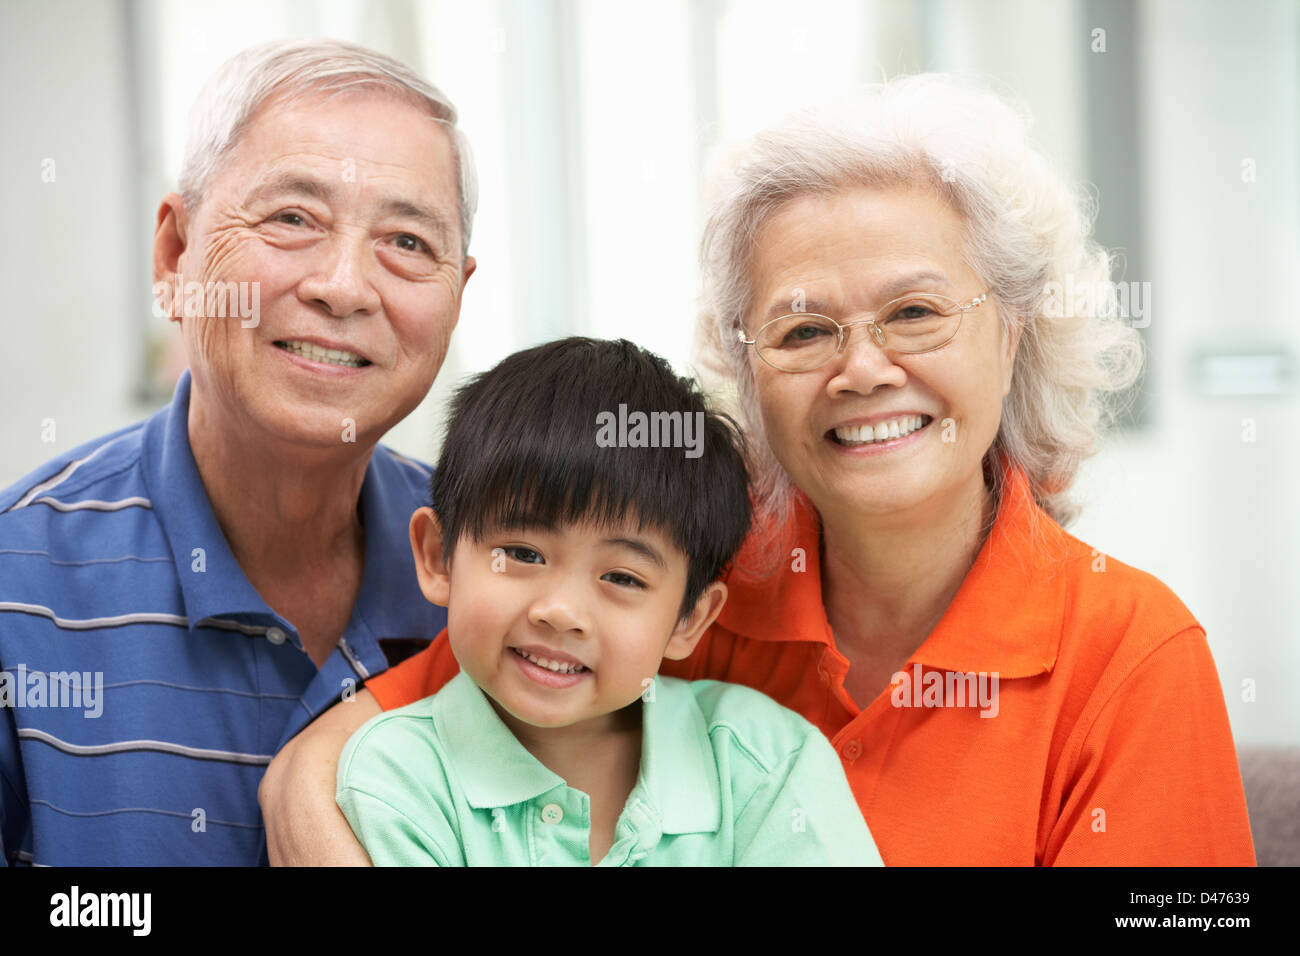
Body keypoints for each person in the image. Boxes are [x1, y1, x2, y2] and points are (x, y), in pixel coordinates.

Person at [261, 73, 1255, 865]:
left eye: (914, 312)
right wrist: (303, 789)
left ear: (1014, 338)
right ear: (747, 372)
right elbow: (409, 720)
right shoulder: (684, 572)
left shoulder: (1129, 653)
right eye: (804, 328)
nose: (862, 368)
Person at [0, 38, 476, 865]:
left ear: (459, 294)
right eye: (293, 218)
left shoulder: (508, 582)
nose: (344, 286)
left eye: (407, 242)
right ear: (176, 256)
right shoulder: (17, 588)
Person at [334, 337, 882, 866]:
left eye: (622, 578)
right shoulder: (395, 777)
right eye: (523, 554)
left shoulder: (765, 762)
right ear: (438, 557)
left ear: (689, 618)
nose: (561, 612)